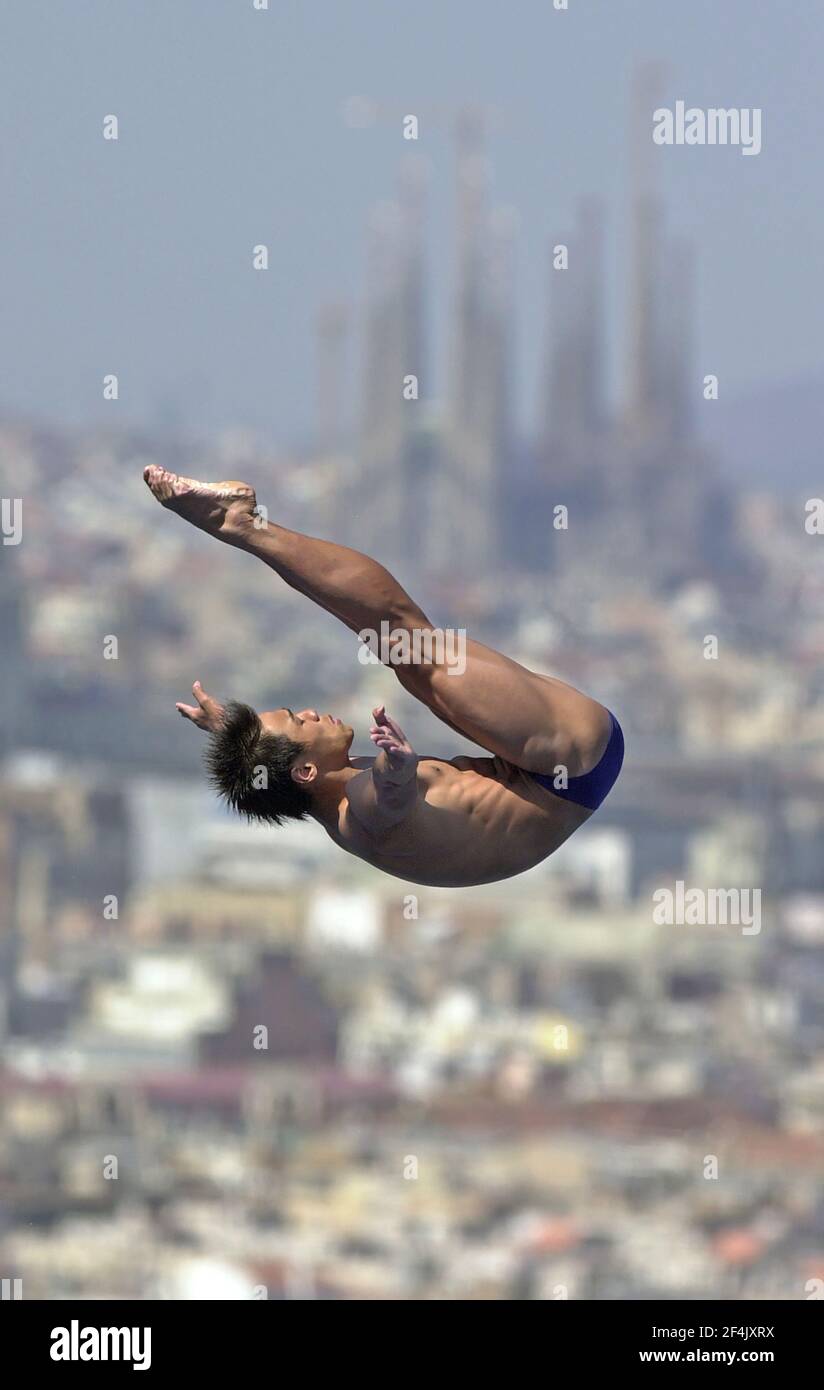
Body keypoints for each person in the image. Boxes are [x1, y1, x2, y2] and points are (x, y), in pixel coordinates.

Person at [143, 466, 624, 887]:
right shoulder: (358, 814)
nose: (309, 712)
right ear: (305, 771)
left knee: (406, 652)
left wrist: (232, 733)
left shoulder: (323, 790)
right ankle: (244, 525)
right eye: (297, 720)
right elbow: (384, 800)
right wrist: (395, 769)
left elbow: (278, 762)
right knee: (410, 644)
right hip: (570, 762)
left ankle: (245, 525)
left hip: (544, 774)